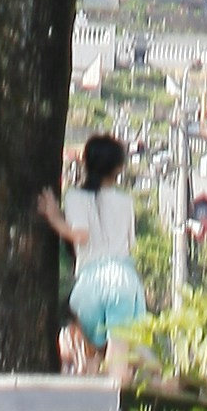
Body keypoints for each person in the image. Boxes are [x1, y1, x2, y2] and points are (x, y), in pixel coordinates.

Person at [38, 126, 150, 363]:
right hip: (124, 280)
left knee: (90, 353)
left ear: (85, 162)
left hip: (90, 283)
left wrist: (53, 216)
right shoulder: (126, 202)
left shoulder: (76, 197)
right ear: (119, 169)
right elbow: (128, 244)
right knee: (120, 352)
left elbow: (80, 234)